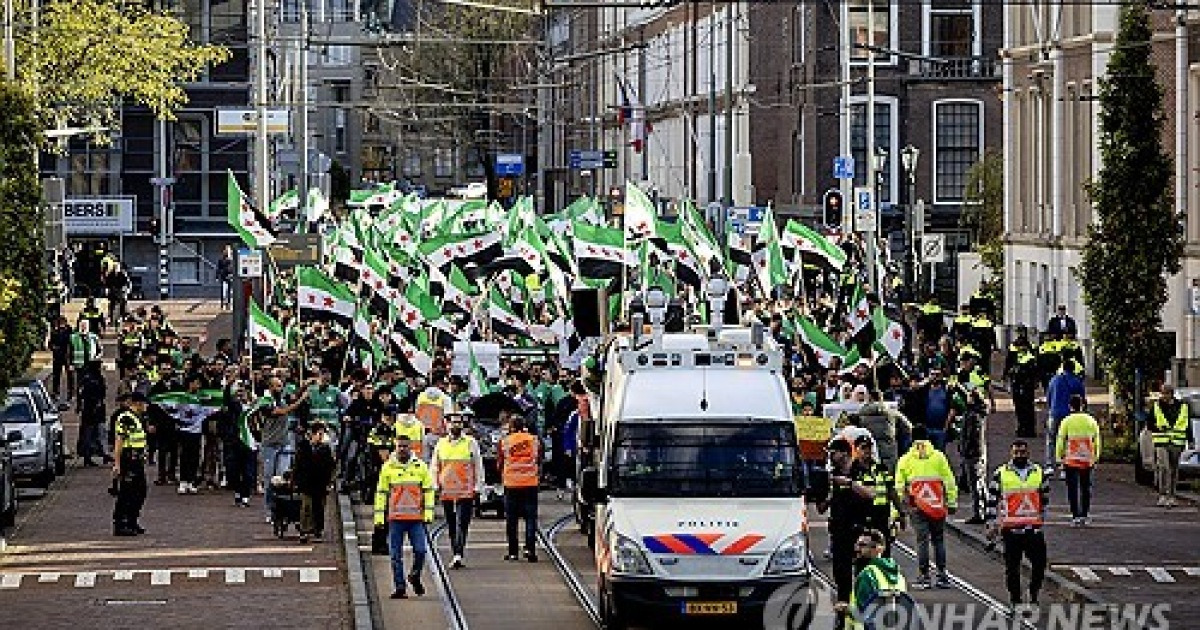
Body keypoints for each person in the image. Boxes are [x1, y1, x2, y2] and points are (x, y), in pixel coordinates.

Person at [986, 440, 1050, 608]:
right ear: (1011, 454)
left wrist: (1041, 518)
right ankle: (1015, 599)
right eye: (1016, 453)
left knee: (1040, 564)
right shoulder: (1000, 474)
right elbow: (992, 500)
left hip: (1033, 529)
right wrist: (991, 524)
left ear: (1028, 453)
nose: (1020, 456)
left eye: (1023, 452)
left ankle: (1034, 593)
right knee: (1012, 568)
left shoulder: (1038, 472)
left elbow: (1044, 498)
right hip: (1011, 530)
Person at [818, 437, 874, 629]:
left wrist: (849, 484)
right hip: (839, 533)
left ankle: (865, 617)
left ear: (843, 453)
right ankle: (843, 620)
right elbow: (820, 508)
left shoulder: (862, 470)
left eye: (833, 453)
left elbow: (871, 494)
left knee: (863, 577)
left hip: (860, 532)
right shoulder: (830, 476)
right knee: (842, 577)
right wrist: (829, 493)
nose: (831, 457)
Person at [895, 427, 957, 589]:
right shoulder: (938, 457)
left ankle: (924, 576)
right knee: (938, 540)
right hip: (937, 506)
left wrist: (898, 511)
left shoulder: (905, 459)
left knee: (922, 541)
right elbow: (949, 481)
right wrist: (951, 502)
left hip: (917, 507)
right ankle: (942, 575)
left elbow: (899, 487)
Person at [374, 434, 434, 600]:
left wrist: (428, 513)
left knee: (421, 551)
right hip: (396, 519)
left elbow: (428, 491)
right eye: (399, 446)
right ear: (395, 447)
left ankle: (414, 575)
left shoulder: (420, 467)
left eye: (404, 446)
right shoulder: (388, 468)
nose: (401, 449)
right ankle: (400, 587)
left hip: (416, 519)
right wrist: (379, 517)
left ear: (410, 448)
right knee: (395, 555)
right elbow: (381, 493)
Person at [431, 414, 485, 569]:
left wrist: (478, 486)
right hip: (447, 490)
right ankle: (456, 549)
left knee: (462, 522)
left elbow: (477, 465)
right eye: (453, 423)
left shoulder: (470, 442)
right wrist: (435, 485)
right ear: (447, 425)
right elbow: (435, 466)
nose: (455, 425)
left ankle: (458, 553)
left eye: (459, 423)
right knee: (451, 522)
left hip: (465, 490)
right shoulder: (441, 443)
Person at [847, 528, 908, 630]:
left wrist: (845, 609)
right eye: (856, 545)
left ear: (878, 549)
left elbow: (864, 612)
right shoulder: (899, 576)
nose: (857, 549)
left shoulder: (868, 575)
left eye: (862, 545)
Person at [499, 415, 540, 562]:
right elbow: (539, 459)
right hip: (530, 483)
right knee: (530, 518)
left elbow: (500, 462)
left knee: (511, 519)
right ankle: (530, 549)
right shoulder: (533, 440)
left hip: (511, 484)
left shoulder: (505, 442)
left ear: (511, 427)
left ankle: (513, 552)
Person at [1055, 395, 1100, 526]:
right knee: (1086, 488)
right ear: (1083, 406)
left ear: (1070, 406)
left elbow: (1061, 441)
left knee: (1072, 489)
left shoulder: (1066, 421)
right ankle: (1084, 515)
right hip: (1087, 460)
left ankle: (1075, 515)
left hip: (1071, 460)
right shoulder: (1091, 421)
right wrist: (1096, 458)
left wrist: (1059, 458)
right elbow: (1097, 441)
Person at [112, 392, 150, 536]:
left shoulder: (138, 418)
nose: (146, 406)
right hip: (128, 459)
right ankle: (121, 523)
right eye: (144, 403)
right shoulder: (125, 418)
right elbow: (119, 441)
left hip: (137, 460)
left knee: (140, 491)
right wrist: (117, 463)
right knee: (127, 492)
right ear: (138, 403)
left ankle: (132, 520)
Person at [295, 422, 337, 543]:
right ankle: (304, 530)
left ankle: (317, 528)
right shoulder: (303, 447)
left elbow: (330, 466)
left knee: (319, 507)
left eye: (322, 434)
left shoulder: (325, 449)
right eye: (319, 434)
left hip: (320, 483)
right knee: (306, 507)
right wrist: (297, 481)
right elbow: (298, 465)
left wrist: (329, 482)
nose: (321, 437)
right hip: (307, 483)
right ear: (312, 434)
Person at [1151, 383, 1190, 508]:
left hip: (1177, 443)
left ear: (1171, 394)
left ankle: (1172, 496)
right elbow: (1149, 423)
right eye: (1162, 393)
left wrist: (1190, 440)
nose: (1163, 396)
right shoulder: (1156, 406)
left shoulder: (1183, 406)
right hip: (1161, 442)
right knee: (1163, 467)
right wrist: (1157, 427)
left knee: (1173, 470)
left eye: (1166, 393)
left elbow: (1187, 424)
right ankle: (1163, 495)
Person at [1045, 360, 1086, 476]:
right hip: (1070, 415)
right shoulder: (1076, 381)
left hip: (1054, 413)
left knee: (1051, 439)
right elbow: (1082, 399)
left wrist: (1050, 409)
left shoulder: (1054, 379)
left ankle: (1049, 465)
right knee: (1067, 441)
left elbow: (1049, 396)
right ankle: (1064, 467)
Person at [77, 361, 111, 466]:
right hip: (95, 410)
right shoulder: (96, 379)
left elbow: (80, 394)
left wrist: (79, 406)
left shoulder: (85, 379)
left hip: (88, 411)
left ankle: (90, 456)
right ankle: (100, 455)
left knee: (90, 433)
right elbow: (102, 393)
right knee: (98, 433)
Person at [48, 316, 74, 404]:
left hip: (67, 356)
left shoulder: (70, 332)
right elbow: (50, 344)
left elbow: (72, 344)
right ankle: (55, 393)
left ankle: (71, 393)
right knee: (56, 376)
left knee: (70, 376)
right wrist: (54, 348)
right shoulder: (55, 332)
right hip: (57, 356)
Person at [217, 246, 234, 310]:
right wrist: (217, 276)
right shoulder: (221, 259)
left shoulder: (232, 260)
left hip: (230, 277)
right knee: (223, 291)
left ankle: (229, 304)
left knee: (230, 291)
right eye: (226, 251)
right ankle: (223, 304)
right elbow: (218, 268)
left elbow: (233, 268)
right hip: (223, 276)